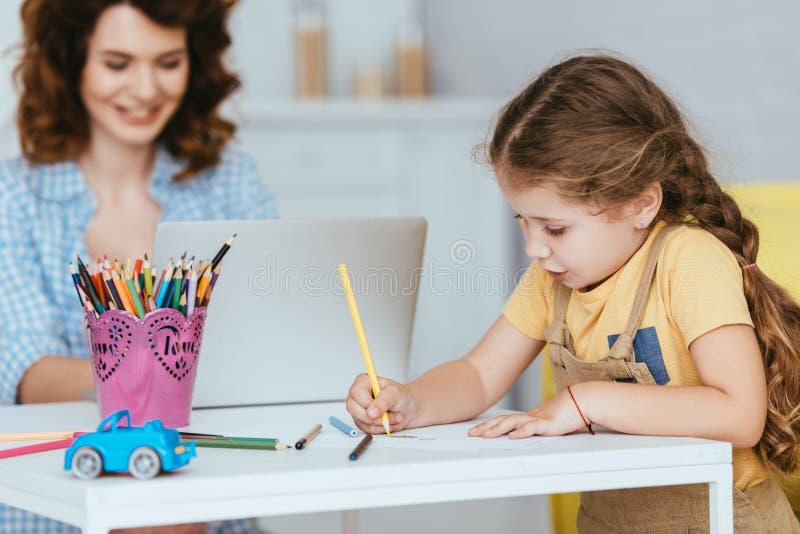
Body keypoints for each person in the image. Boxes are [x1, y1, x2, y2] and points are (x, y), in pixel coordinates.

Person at [346, 54, 800, 532]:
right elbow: (479, 375)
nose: (534, 248)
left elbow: (740, 414)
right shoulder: (552, 280)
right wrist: (413, 400)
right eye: (524, 221)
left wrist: (588, 400)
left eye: (556, 228)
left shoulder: (689, 261)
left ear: (640, 204)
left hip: (723, 520)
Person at [0, 1, 276, 532]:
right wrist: (161, 387)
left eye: (168, 62)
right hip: (56, 506)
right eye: (118, 63)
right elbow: (24, 367)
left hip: (208, 491)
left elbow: (263, 342)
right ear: (71, 61)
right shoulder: (14, 195)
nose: (146, 90)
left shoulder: (232, 182)